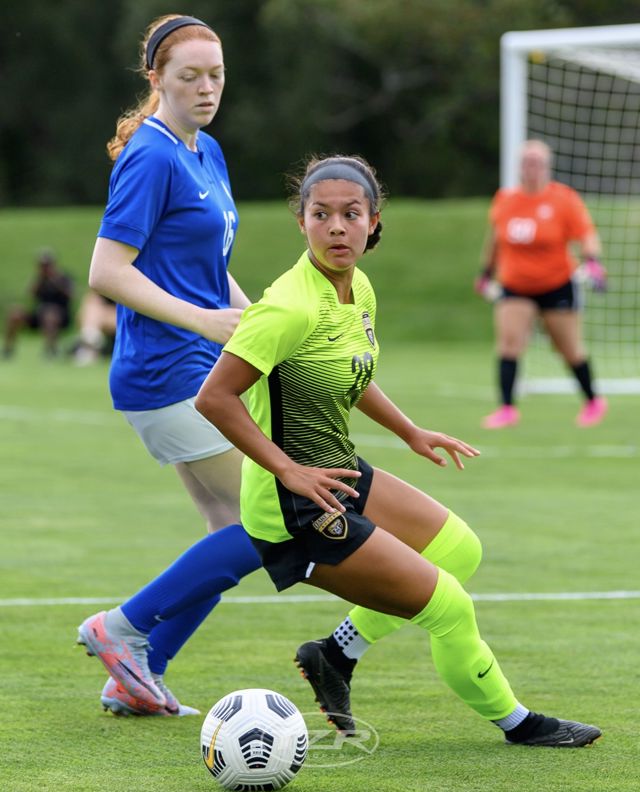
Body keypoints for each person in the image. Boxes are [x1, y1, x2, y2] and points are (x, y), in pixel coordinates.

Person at [194, 154, 601, 747]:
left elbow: (349, 369)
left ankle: (334, 656)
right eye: (321, 214)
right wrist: (287, 470)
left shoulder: (356, 287)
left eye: (350, 214)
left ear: (373, 221)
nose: (337, 227)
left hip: (335, 470)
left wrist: (411, 430)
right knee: (450, 607)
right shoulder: (287, 305)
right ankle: (519, 724)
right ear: (301, 223)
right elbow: (216, 398)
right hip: (294, 504)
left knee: (459, 550)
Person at [76, 13, 263, 717]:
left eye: (216, 74)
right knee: (269, 521)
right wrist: (207, 323)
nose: (207, 87)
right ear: (155, 80)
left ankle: (134, 675)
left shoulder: (204, 149)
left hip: (198, 363)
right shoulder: (151, 155)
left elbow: (209, 273)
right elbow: (106, 270)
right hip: (166, 371)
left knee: (229, 536)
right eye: (190, 76)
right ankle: (120, 629)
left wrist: (261, 327)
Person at [475, 139, 608, 429]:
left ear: (547, 167)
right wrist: (486, 272)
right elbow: (496, 239)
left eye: (537, 163)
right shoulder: (506, 200)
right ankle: (507, 408)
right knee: (509, 344)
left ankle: (593, 401)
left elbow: (586, 234)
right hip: (515, 285)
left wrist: (593, 260)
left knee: (568, 349)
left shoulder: (564, 199)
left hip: (556, 284)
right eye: (526, 162)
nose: (531, 168)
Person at [2, 248, 74, 357]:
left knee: (50, 314)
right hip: (40, 315)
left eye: (47, 265)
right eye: (42, 265)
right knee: (15, 313)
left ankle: (51, 351)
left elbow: (71, 295)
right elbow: (30, 294)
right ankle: (8, 349)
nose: (45, 268)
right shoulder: (39, 279)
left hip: (61, 316)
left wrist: (55, 281)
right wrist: (40, 280)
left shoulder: (64, 278)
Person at [70, 289, 117, 365]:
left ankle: (88, 347)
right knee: (92, 308)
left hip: (126, 318)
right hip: (101, 320)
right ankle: (89, 345)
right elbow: (80, 317)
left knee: (94, 312)